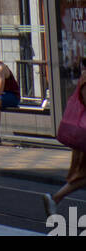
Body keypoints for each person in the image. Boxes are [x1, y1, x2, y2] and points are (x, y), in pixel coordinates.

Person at [43, 64, 86, 216]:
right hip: (84, 137)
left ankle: (55, 199)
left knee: (82, 176)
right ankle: (55, 199)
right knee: (82, 176)